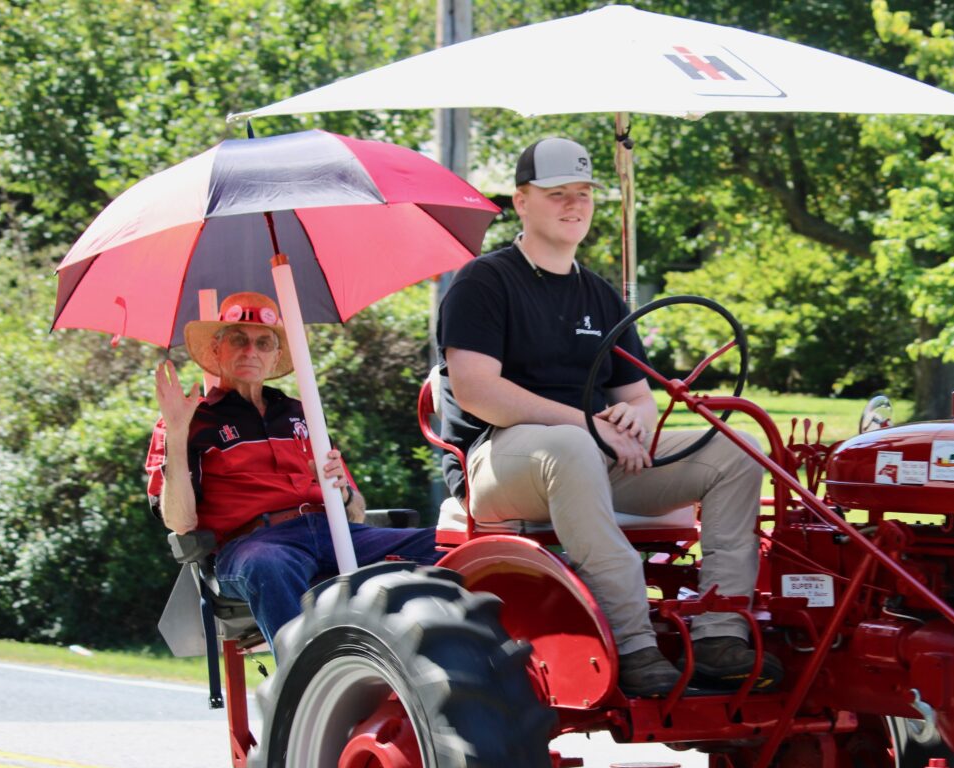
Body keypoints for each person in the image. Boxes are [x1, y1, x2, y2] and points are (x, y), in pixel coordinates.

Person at [436, 136, 781, 698]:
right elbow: (478, 393)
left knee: (734, 449)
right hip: (500, 461)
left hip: (587, 452)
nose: (574, 205)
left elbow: (639, 395)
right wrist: (586, 423)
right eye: (556, 194)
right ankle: (634, 642)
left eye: (583, 194)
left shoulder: (599, 294)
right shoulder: (484, 281)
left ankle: (720, 632)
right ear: (521, 201)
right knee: (570, 449)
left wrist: (635, 420)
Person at [147, 291, 439, 651]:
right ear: (217, 350)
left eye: (263, 343)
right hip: (256, 542)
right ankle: (306, 684)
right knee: (270, 565)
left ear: (276, 356)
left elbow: (356, 511)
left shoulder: (304, 413)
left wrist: (343, 491)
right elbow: (180, 522)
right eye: (238, 339)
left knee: (442, 544)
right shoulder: (190, 421)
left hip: (332, 531)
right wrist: (176, 435)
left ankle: (440, 662)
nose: (250, 351)